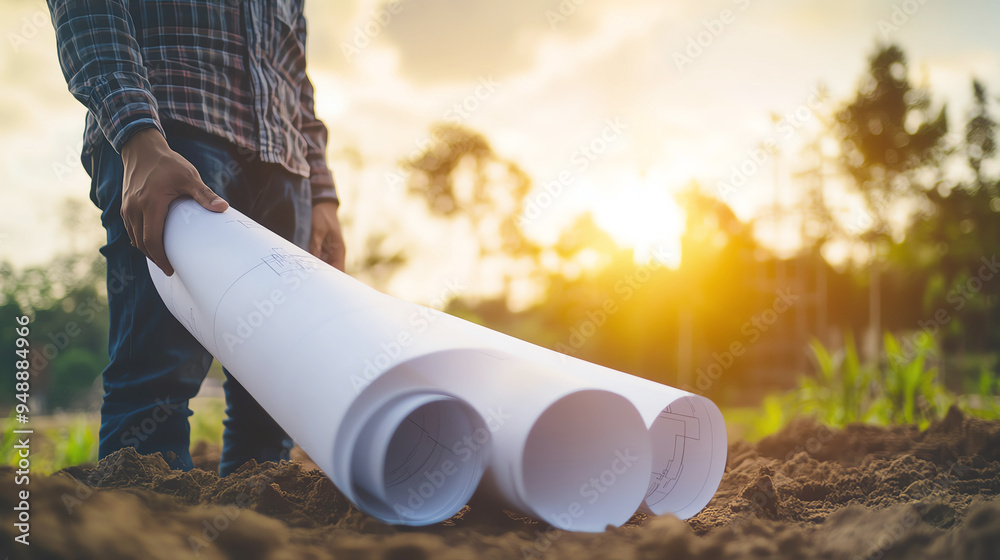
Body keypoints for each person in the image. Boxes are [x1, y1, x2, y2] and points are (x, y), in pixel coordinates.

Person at [46, 0, 345, 475]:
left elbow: (295, 71)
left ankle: (252, 539)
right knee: (155, 380)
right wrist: (135, 131)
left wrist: (323, 192)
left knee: (272, 393)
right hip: (172, 141)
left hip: (286, 169)